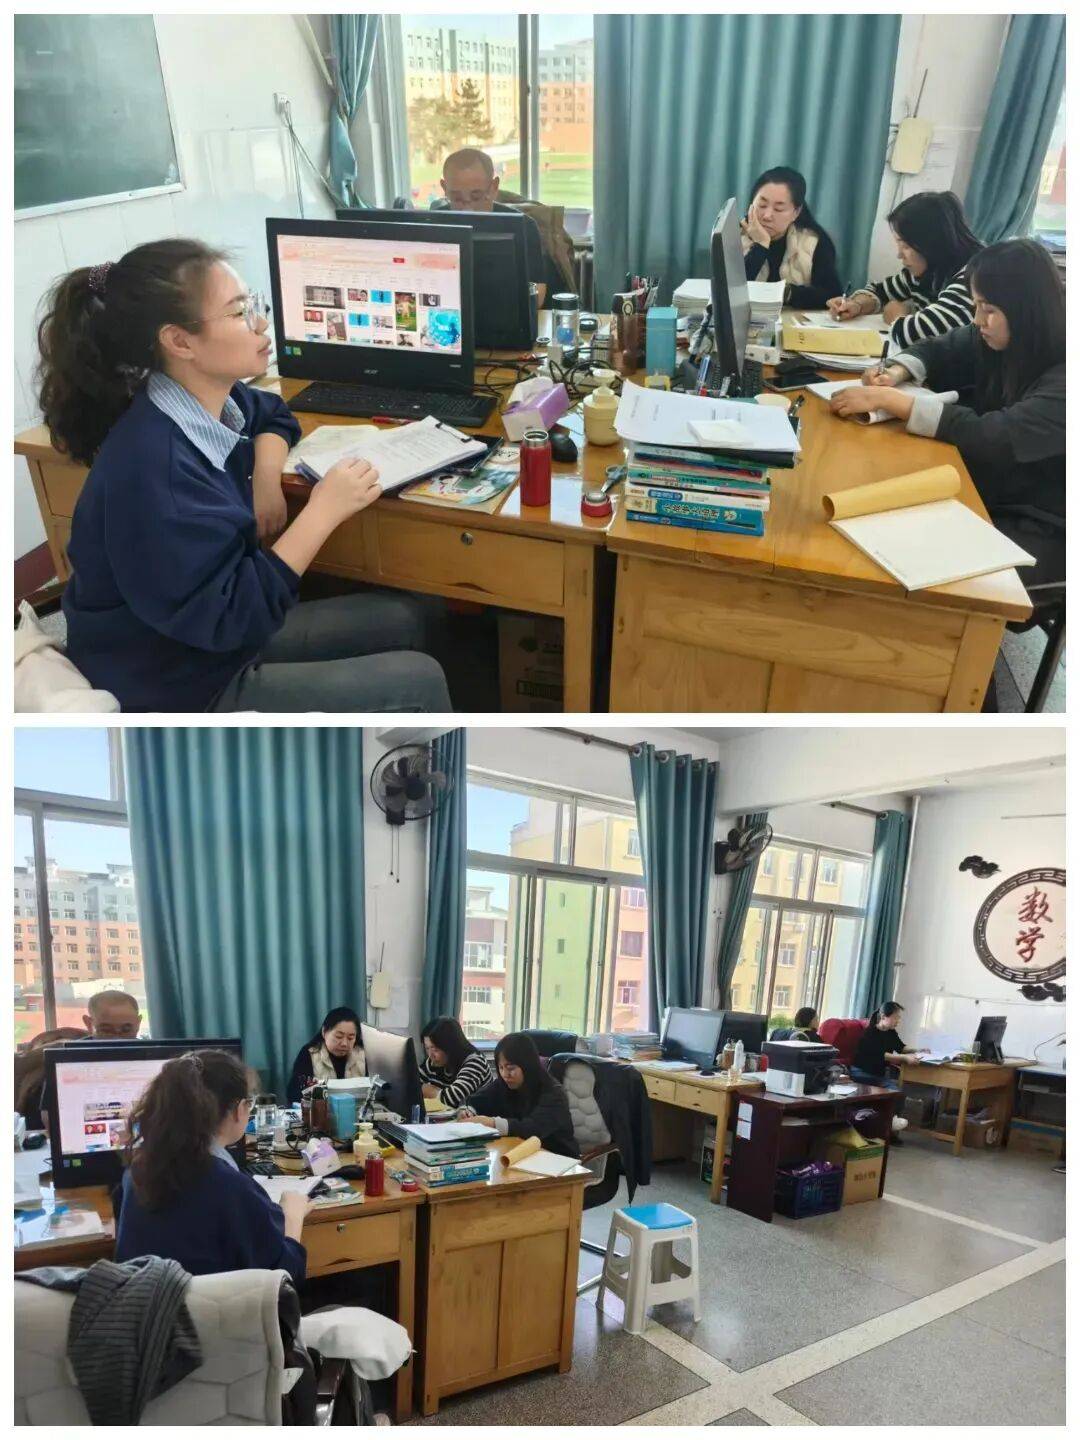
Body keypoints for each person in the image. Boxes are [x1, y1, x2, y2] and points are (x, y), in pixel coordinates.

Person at [36, 239, 451, 713]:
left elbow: (272, 413)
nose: (260, 324)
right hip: (176, 684)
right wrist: (323, 510)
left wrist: (266, 478)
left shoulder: (202, 396)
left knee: (408, 616)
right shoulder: (155, 472)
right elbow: (233, 617)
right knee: (417, 680)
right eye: (238, 313)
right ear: (179, 341)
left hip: (207, 641)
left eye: (253, 305)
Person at [829, 239, 1065, 590]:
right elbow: (942, 348)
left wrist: (898, 403)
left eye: (989, 309)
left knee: (920, 567)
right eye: (976, 306)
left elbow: (998, 437)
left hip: (1042, 523)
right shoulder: (1002, 336)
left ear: (1025, 309)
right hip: (991, 488)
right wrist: (896, 371)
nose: (978, 320)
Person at [116, 1049, 309, 1283]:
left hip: (148, 1304)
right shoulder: (230, 1187)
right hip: (216, 1308)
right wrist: (293, 1215)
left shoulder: (136, 1171)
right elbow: (284, 1278)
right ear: (239, 1109)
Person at [827, 191, 983, 346]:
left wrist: (896, 316)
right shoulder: (928, 269)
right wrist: (857, 305)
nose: (899, 255)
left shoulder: (974, 278)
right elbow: (879, 291)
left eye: (906, 246)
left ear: (931, 243)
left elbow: (919, 335)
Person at [433, 147, 548, 305]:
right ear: (444, 188)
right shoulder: (431, 224)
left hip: (505, 311)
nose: (467, 208)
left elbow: (538, 292)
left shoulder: (522, 226)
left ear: (494, 187)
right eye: (457, 198)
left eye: (476, 197)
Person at [30, 990, 143, 1133]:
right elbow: (49, 1116)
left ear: (138, 1023)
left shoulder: (154, 1056)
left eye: (126, 1030)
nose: (117, 1038)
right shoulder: (67, 1058)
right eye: (106, 1030)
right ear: (89, 1023)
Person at [459, 1031, 579, 1158]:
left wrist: (493, 1123)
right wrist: (469, 1110)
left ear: (527, 1065)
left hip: (558, 1158)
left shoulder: (553, 1093)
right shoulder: (504, 1083)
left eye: (511, 1068)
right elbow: (478, 1100)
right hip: (523, 1154)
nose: (505, 1074)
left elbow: (533, 1128)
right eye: (501, 1067)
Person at [740, 166, 843, 309]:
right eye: (762, 205)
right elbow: (731, 291)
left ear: (796, 212)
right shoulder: (735, 237)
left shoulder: (813, 242)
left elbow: (833, 296)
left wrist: (787, 293)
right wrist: (761, 245)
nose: (767, 215)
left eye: (778, 209)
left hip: (794, 320)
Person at [286, 1007, 365, 1104]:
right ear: (324, 1032)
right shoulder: (309, 1054)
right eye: (339, 1037)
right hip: (319, 1112)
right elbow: (294, 1095)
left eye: (350, 1038)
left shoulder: (363, 1055)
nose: (344, 1043)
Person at [419, 1016, 492, 1107]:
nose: (430, 1055)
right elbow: (411, 1083)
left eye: (435, 1049)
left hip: (478, 1115)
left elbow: (453, 1099)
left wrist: (429, 1091)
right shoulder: (433, 1062)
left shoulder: (475, 1063)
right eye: (427, 1048)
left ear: (451, 1047)